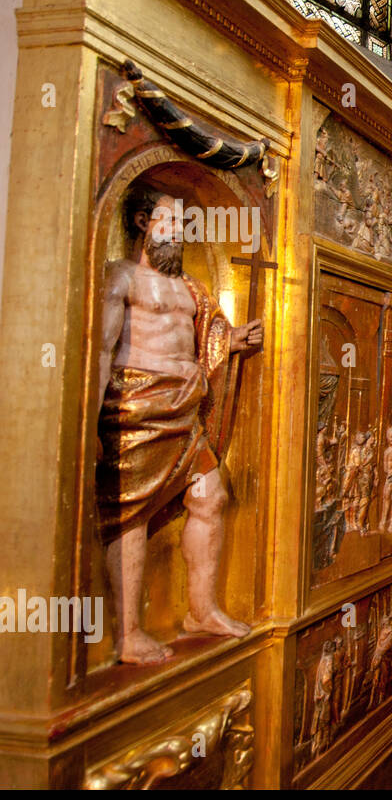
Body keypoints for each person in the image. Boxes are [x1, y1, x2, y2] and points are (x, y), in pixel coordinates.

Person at [97, 178, 262, 664]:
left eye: (183, 224)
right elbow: (102, 349)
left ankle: (201, 610)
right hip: (135, 409)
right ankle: (127, 633)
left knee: (211, 496)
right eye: (168, 221)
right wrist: (88, 427)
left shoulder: (191, 287)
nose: (177, 232)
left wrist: (231, 342)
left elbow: (201, 340)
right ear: (142, 223)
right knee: (131, 514)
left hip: (185, 410)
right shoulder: (121, 277)